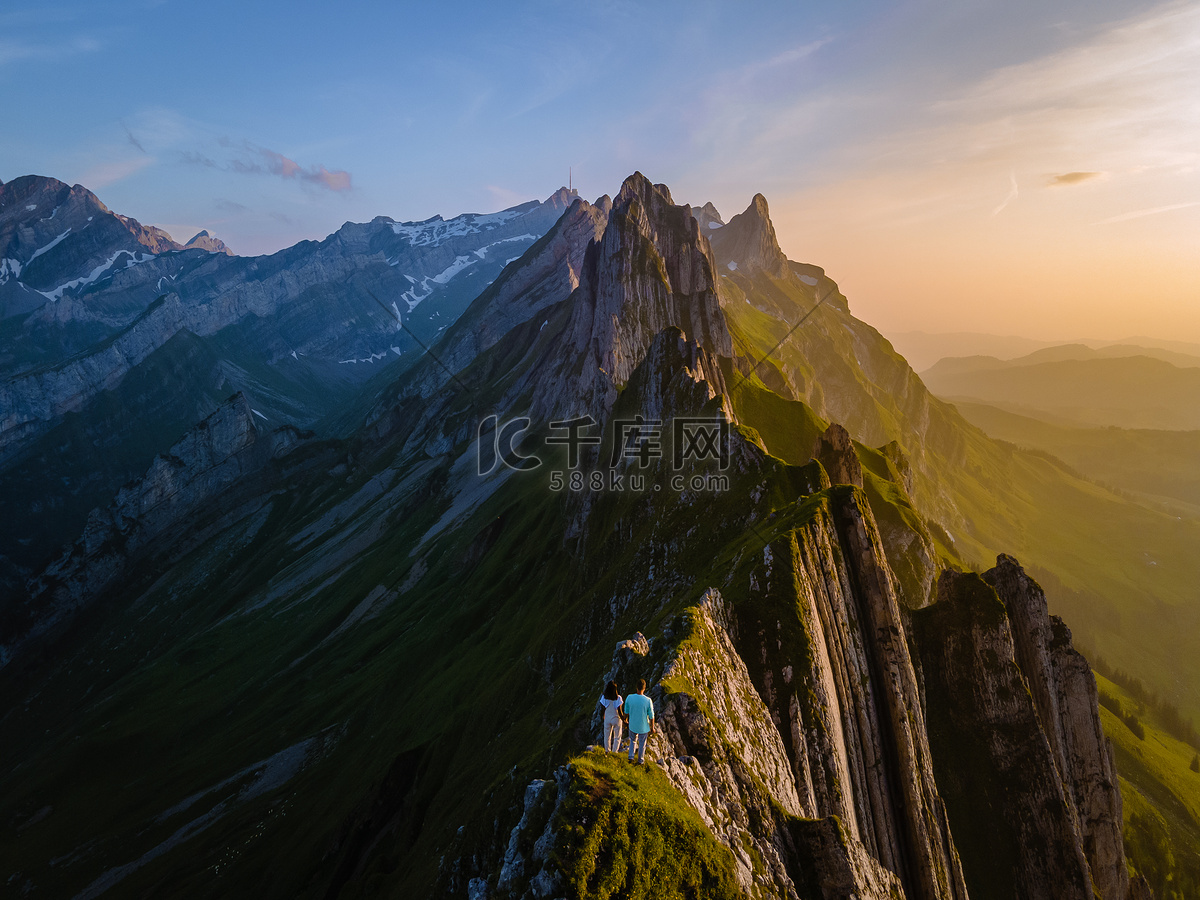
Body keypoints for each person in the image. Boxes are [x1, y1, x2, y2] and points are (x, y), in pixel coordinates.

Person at [624, 679, 655, 764]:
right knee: (642, 743)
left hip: (632, 724)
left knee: (633, 740)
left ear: (636, 687)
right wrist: (652, 727)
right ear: (644, 688)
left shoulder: (629, 697)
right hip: (643, 726)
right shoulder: (648, 700)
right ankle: (640, 760)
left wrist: (625, 721)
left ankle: (631, 757)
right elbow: (651, 716)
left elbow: (626, 712)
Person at [599, 680, 624, 752]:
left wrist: (603, 715)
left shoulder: (604, 697)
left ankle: (607, 750)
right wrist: (624, 720)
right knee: (617, 736)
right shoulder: (618, 698)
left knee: (607, 735)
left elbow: (602, 708)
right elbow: (620, 711)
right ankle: (614, 751)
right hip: (616, 718)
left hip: (607, 717)